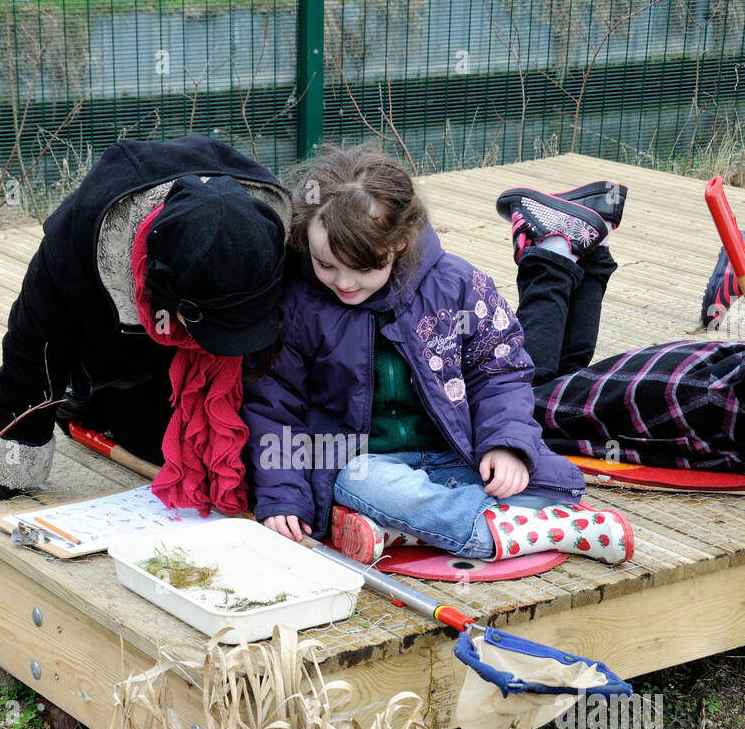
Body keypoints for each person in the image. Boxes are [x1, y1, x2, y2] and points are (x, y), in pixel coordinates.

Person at [242, 144, 634, 567]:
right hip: (368, 465)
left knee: (541, 480)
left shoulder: (459, 286)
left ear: (400, 241)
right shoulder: (299, 307)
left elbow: (499, 369)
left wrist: (507, 446)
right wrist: (282, 494)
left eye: (363, 266)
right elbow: (275, 404)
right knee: (365, 484)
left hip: (460, 454)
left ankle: (399, 530)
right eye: (326, 265)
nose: (345, 282)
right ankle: (509, 531)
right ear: (305, 243)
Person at [0, 135, 291, 513]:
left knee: (271, 456)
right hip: (126, 368)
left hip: (239, 368)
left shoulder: (268, 230)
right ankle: (91, 404)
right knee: (168, 449)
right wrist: (9, 462)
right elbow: (35, 346)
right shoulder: (78, 246)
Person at [497, 182, 745, 471]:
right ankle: (557, 247)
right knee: (519, 404)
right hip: (720, 401)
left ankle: (586, 240)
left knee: (561, 388)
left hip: (723, 384)